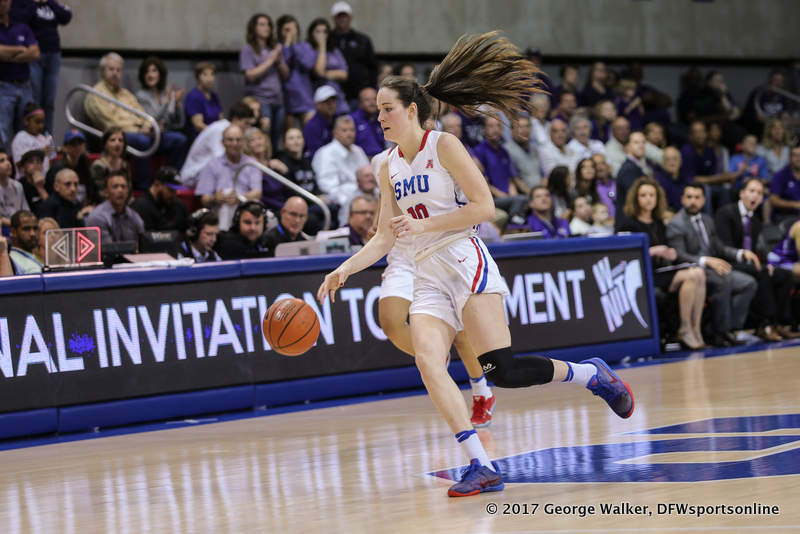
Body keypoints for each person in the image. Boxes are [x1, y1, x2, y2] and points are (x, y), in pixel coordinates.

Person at [317, 33, 633, 498]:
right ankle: (480, 465)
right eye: (377, 109)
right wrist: (344, 268)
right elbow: (386, 234)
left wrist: (424, 227)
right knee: (428, 361)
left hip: (465, 260)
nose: (378, 116)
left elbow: (485, 208)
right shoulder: (386, 165)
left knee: (502, 370)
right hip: (425, 273)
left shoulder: (442, 146)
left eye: (386, 108)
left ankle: (591, 374)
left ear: (410, 110)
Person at [666, 184, 758, 348]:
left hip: (714, 269)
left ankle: (732, 329)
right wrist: (705, 260)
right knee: (722, 283)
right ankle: (717, 332)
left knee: (748, 283)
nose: (693, 201)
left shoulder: (707, 220)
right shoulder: (676, 223)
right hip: (693, 273)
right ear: (682, 200)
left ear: (703, 200)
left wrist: (741, 253)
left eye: (696, 197)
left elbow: (719, 247)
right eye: (689, 197)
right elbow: (678, 256)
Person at [620, 177, 707, 350]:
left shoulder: (659, 222)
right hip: (642, 276)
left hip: (660, 270)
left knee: (698, 273)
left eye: (652, 195)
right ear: (636, 198)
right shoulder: (629, 223)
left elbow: (664, 250)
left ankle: (695, 327)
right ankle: (684, 327)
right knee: (691, 275)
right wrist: (652, 250)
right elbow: (624, 256)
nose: (648, 198)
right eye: (643, 195)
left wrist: (670, 253)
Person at [84, 52, 186, 189]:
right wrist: (139, 130)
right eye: (111, 69)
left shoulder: (125, 93)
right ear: (103, 71)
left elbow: (143, 115)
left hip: (142, 132)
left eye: (118, 70)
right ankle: (146, 186)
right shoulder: (96, 95)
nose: (115, 73)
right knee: (142, 141)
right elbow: (109, 125)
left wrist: (149, 128)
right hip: (120, 136)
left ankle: (168, 181)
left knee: (179, 140)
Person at [715, 178, 797, 341]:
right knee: (763, 272)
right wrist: (743, 254)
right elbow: (721, 247)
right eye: (752, 191)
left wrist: (766, 263)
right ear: (742, 193)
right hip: (726, 262)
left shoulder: (756, 221)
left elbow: (756, 251)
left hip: (748, 264)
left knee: (783, 274)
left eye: (760, 193)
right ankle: (765, 324)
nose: (755, 196)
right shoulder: (726, 212)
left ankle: (778, 323)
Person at [9, 0, 71, 136]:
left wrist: (48, 2)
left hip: (53, 54)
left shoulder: (51, 3)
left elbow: (66, 16)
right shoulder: (22, 3)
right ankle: (32, 140)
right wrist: (34, 3)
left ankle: (47, 141)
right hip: (34, 54)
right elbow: (19, 19)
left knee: (49, 102)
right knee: (34, 101)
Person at [195, 125, 263, 231]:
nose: (234, 144)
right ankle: (224, 233)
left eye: (238, 140)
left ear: (243, 142)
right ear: (223, 142)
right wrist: (215, 198)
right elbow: (204, 199)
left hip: (246, 210)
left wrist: (240, 197)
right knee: (226, 202)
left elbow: (257, 193)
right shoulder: (212, 165)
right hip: (219, 210)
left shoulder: (251, 163)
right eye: (230, 140)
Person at [179, 101, 256, 187]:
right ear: (235, 119)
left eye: (250, 125)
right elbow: (220, 160)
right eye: (246, 123)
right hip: (193, 176)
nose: (248, 128)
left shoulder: (227, 130)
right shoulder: (220, 129)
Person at [241, 13, 288, 151]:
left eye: (268, 24)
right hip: (261, 101)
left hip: (278, 100)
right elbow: (250, 75)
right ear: (253, 28)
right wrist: (270, 60)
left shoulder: (273, 49)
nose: (266, 27)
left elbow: (286, 74)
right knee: (262, 137)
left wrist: (278, 61)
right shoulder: (248, 49)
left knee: (275, 139)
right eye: (262, 24)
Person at [312, 115, 369, 226]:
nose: (349, 134)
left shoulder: (358, 151)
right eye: (344, 130)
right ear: (335, 134)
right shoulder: (326, 153)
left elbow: (369, 177)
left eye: (352, 130)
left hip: (363, 200)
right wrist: (351, 203)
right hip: (341, 204)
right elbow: (329, 188)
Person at [472, 113, 529, 225]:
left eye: (498, 126)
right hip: (492, 199)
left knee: (526, 200)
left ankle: (517, 222)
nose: (495, 130)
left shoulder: (504, 151)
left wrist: (513, 196)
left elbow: (510, 180)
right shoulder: (479, 151)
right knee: (521, 200)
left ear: (502, 129)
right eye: (491, 126)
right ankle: (516, 223)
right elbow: (484, 183)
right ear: (484, 129)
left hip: (507, 198)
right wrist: (506, 197)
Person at [0, 0, 39, 151]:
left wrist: (8, 55)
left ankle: (25, 169)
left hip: (25, 86)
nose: (2, 3)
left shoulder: (22, 27)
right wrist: (21, 49)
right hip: (3, 87)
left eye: (5, 0)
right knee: (2, 133)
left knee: (26, 132)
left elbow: (35, 53)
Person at [680, 121, 742, 214]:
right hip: (690, 186)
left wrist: (724, 178)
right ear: (690, 136)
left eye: (702, 131)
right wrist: (720, 178)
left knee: (724, 191)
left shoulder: (709, 150)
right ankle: (707, 222)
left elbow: (713, 175)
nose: (700, 135)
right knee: (705, 190)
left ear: (706, 134)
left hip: (710, 185)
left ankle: (726, 221)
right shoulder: (686, 150)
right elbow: (692, 179)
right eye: (696, 132)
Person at [330, 1, 377, 106]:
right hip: (334, 95)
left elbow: (373, 67)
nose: (342, 19)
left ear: (350, 17)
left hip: (358, 95)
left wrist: (370, 88)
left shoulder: (362, 40)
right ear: (333, 18)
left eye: (344, 16)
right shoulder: (329, 40)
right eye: (339, 16)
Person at [84, 171, 144, 244]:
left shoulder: (135, 216)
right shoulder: (97, 217)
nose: (120, 190)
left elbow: (142, 245)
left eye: (123, 186)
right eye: (115, 187)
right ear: (106, 192)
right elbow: (109, 249)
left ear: (128, 191)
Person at [305, 17, 349, 114]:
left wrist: (325, 74)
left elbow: (344, 74)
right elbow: (319, 71)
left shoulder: (334, 51)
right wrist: (322, 47)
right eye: (318, 32)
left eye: (325, 32)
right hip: (320, 100)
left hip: (338, 97)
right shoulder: (308, 50)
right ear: (311, 33)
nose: (322, 35)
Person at [277, 14, 315, 128]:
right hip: (286, 100)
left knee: (309, 134)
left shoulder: (304, 46)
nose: (291, 33)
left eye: (294, 29)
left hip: (305, 98)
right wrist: (287, 46)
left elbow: (308, 64)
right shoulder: (278, 48)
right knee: (290, 138)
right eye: (287, 30)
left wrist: (294, 46)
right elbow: (284, 68)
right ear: (280, 31)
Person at [135, 56, 186, 139]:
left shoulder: (166, 93)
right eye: (147, 72)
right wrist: (166, 103)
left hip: (169, 130)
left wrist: (177, 104)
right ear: (143, 76)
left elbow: (179, 123)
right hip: (153, 134)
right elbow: (152, 119)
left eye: (154, 71)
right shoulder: (141, 95)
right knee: (180, 138)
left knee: (185, 133)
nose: (150, 75)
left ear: (160, 73)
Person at [45, 129, 97, 205]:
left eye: (80, 143)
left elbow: (89, 191)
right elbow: (50, 193)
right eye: (73, 144)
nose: (77, 147)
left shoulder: (84, 165)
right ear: (65, 147)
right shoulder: (57, 168)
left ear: (84, 146)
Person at [130, 166, 189, 232]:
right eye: (171, 190)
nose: (174, 194)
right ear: (157, 185)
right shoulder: (140, 208)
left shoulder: (179, 206)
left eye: (176, 190)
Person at [614, 131, 650, 230]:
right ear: (627, 147)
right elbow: (634, 198)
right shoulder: (629, 169)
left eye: (643, 142)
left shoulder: (635, 167)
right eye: (636, 142)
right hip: (628, 226)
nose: (641, 145)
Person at [11, 102, 54, 179]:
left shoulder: (45, 139)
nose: (41, 125)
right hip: (26, 182)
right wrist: (41, 153)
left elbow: (49, 162)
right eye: (37, 122)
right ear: (26, 121)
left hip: (43, 180)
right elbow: (18, 163)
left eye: (43, 122)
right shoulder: (21, 137)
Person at [184, 61, 224, 140]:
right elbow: (198, 125)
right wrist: (216, 134)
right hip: (199, 138)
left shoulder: (214, 96)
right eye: (204, 74)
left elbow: (221, 120)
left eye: (212, 74)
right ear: (198, 77)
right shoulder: (193, 96)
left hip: (215, 136)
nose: (209, 78)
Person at [503, 115, 542, 189]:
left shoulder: (534, 149)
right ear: (512, 131)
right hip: (523, 195)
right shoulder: (507, 150)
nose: (524, 130)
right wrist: (531, 195)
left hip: (539, 193)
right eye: (520, 127)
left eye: (527, 126)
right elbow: (515, 179)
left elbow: (543, 174)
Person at [90, 126, 131, 194]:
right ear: (106, 145)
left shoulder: (125, 165)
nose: (117, 143)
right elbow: (99, 193)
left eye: (120, 140)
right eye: (113, 140)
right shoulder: (99, 166)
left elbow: (129, 190)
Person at [303, 85, 339, 159]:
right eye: (326, 102)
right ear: (317, 105)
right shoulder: (312, 126)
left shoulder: (339, 119)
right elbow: (318, 154)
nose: (331, 105)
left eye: (332, 101)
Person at [768, 145, 800, 223]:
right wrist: (795, 204)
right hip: (785, 217)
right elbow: (773, 200)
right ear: (789, 158)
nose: (798, 158)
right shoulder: (780, 175)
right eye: (795, 155)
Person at [350, 87, 384, 158]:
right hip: (361, 160)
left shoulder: (383, 118)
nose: (372, 103)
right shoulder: (352, 119)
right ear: (360, 103)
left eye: (375, 99)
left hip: (382, 158)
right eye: (367, 100)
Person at [654, 146, 689, 213]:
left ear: (680, 161)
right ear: (663, 163)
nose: (672, 162)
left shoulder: (686, 180)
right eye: (667, 159)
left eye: (675, 158)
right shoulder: (658, 182)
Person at [0, 148, 27, 232]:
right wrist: (18, 225)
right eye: (1, 161)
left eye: (7, 159)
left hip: (19, 225)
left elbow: (25, 211)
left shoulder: (17, 186)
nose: (8, 163)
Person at [17, 148, 47, 213]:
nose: (35, 162)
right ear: (23, 168)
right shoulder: (19, 185)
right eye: (30, 160)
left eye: (38, 160)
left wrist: (40, 188)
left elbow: (52, 208)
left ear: (42, 166)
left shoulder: (47, 182)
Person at [591, 152, 616, 223]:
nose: (600, 167)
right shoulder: (592, 187)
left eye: (602, 163)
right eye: (596, 165)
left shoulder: (615, 183)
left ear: (608, 166)